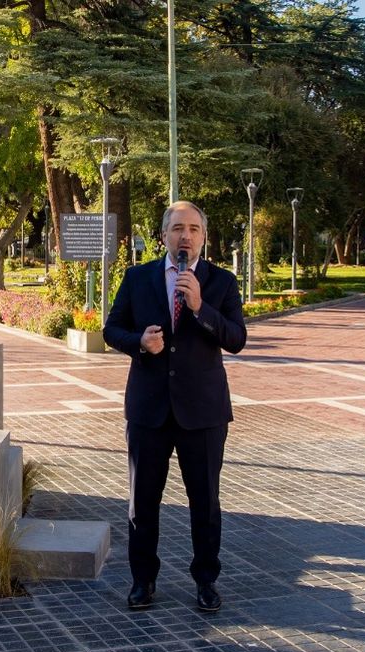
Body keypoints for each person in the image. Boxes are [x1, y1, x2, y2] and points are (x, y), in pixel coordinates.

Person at [102, 200, 247, 612]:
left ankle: (206, 581)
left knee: (205, 503)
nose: (186, 236)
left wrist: (201, 307)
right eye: (178, 228)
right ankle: (142, 581)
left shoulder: (221, 281)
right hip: (149, 409)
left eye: (194, 229)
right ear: (164, 235)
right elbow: (113, 328)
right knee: (142, 502)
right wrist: (139, 344)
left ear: (204, 236)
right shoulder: (138, 277)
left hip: (203, 411)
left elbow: (237, 338)